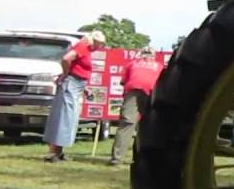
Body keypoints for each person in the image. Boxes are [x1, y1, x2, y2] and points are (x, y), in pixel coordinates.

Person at [42, 30, 107, 162]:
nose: (101, 47)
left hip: (76, 85)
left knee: (69, 120)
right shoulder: (82, 46)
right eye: (100, 44)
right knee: (64, 118)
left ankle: (58, 152)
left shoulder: (88, 50)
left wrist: (85, 88)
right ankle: (52, 153)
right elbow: (66, 59)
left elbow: (80, 70)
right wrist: (65, 74)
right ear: (95, 41)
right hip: (71, 84)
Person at [109, 47, 163, 166]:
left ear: (141, 55)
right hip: (151, 92)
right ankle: (146, 159)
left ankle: (116, 159)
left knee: (126, 124)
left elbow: (123, 81)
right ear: (153, 56)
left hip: (133, 90)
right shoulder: (159, 66)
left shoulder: (132, 64)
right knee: (149, 125)